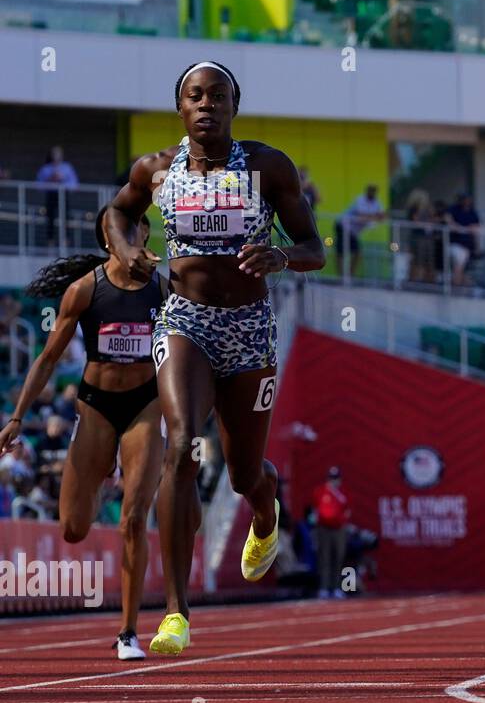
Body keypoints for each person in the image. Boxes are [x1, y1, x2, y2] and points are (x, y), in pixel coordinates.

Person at [104, 59, 325, 655]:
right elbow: (117, 212)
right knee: (179, 447)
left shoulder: (266, 165)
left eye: (218, 97)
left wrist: (281, 256)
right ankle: (176, 611)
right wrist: (127, 252)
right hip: (185, 323)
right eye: (195, 97)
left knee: (244, 472)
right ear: (181, 109)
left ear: (234, 106)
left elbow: (314, 247)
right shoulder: (156, 170)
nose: (207, 105)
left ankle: (265, 510)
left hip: (249, 329)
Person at [2, 209, 163, 660]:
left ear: (147, 232)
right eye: (124, 229)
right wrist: (17, 417)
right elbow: (49, 359)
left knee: (133, 517)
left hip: (145, 406)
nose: (135, 235)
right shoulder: (85, 289)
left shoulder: (163, 288)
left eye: (140, 226)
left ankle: (129, 632)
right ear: (110, 240)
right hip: (95, 407)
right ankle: (104, 470)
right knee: (73, 528)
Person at [310, 466, 350, 599]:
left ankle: (338, 587)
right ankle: (324, 587)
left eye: (336, 478)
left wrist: (343, 521)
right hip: (324, 528)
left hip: (339, 529)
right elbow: (315, 509)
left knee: (339, 558)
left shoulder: (342, 492)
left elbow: (348, 509)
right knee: (324, 558)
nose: (334, 481)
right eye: (332, 478)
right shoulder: (320, 491)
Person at [336, 185, 385, 279]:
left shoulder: (376, 203)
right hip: (343, 226)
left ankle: (350, 276)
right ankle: (341, 276)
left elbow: (382, 216)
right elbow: (362, 215)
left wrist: (374, 216)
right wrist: (375, 216)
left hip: (353, 231)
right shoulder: (360, 199)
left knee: (358, 253)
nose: (372, 193)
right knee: (341, 252)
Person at [37, 146, 79, 245]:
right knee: (50, 218)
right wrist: (50, 179)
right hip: (51, 195)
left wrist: (62, 180)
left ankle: (66, 241)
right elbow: (39, 184)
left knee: (65, 217)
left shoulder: (67, 167)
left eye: (58, 153)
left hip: (63, 195)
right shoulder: (46, 168)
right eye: (54, 153)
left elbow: (74, 184)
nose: (56, 156)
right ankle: (50, 241)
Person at [447, 194, 480, 287]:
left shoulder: (472, 212)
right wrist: (461, 228)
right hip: (456, 243)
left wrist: (477, 246)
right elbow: (449, 221)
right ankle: (456, 284)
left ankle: (460, 282)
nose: (467, 202)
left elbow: (476, 228)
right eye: (465, 200)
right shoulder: (454, 209)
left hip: (469, 245)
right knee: (460, 259)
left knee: (465, 266)